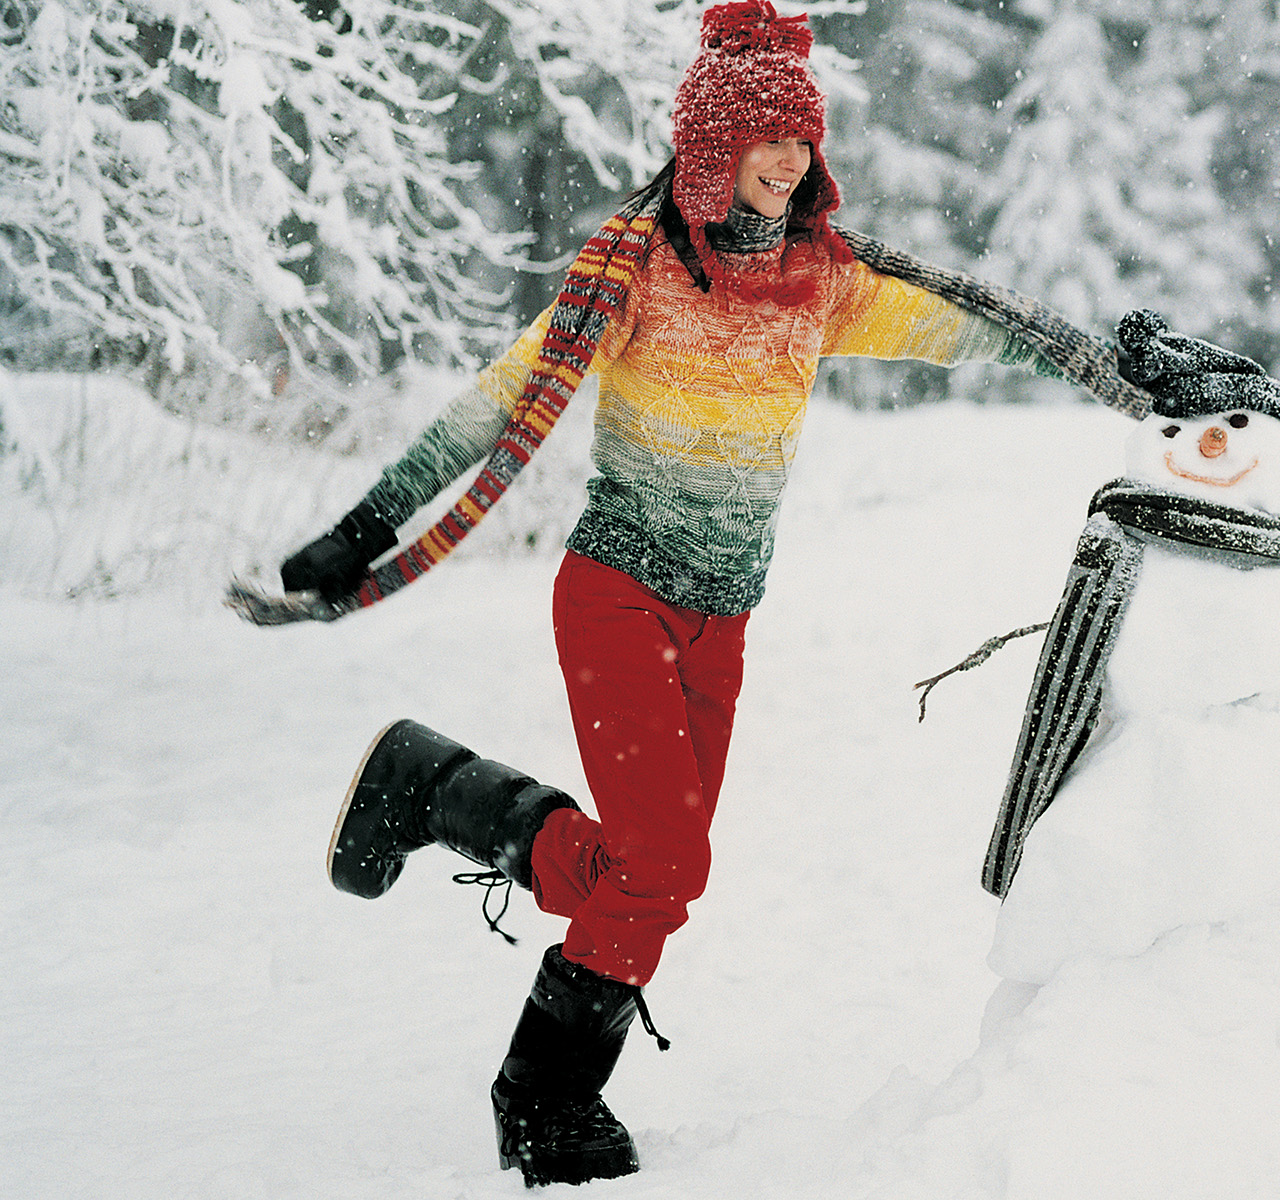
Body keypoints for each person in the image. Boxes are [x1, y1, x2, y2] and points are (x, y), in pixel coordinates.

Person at [247, 1, 1135, 1186]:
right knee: (664, 871)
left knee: (651, 873)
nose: (793, 162)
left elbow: (974, 335)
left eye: (804, 142)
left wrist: (1124, 371)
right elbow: (498, 400)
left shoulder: (822, 282)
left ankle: (435, 787)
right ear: (715, 148)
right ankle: (544, 1099)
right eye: (771, 140)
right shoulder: (636, 272)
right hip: (616, 595)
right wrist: (364, 528)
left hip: (724, 619)